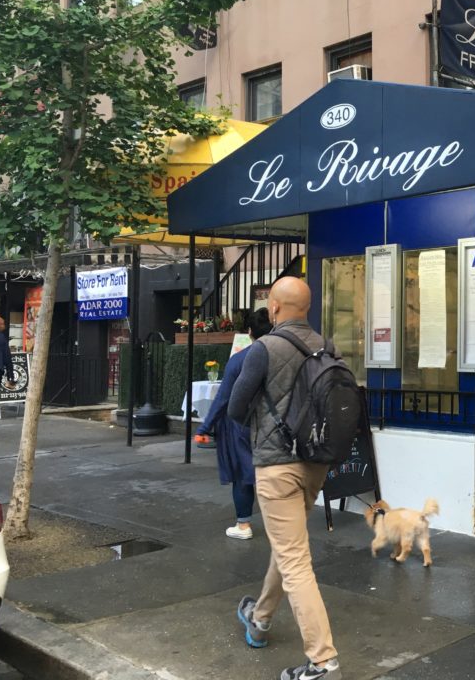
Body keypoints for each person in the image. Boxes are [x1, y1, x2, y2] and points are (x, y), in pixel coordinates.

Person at [227, 277, 341, 680]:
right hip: (316, 464)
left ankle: (323, 661)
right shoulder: (327, 346)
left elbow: (236, 408)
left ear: (274, 307)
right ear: (307, 308)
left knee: (294, 560)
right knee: (288, 544)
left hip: (277, 466)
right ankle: (260, 619)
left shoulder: (263, 348)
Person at [197, 309, 272, 540]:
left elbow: (223, 398)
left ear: (250, 332)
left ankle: (243, 524)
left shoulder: (240, 360)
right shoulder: (283, 357)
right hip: (274, 424)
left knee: (243, 475)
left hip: (241, 424)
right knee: (275, 474)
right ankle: (281, 525)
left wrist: (205, 427)